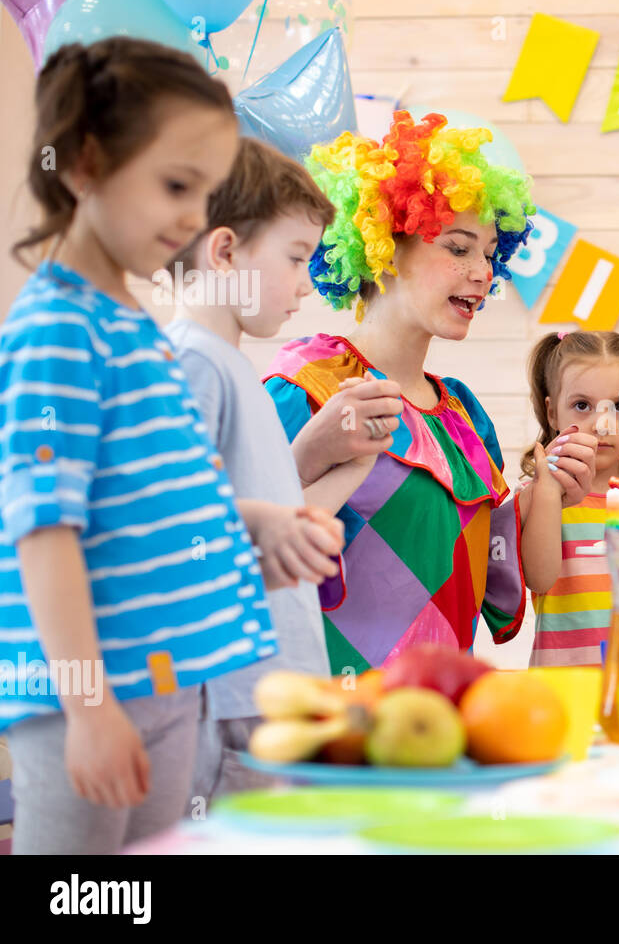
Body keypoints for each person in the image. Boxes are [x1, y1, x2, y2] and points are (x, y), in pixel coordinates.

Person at [0, 39, 340, 853]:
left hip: (170, 683)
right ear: (85, 164)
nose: (194, 218)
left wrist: (257, 523)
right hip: (89, 691)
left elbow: (158, 504)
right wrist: (87, 709)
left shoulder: (136, 331)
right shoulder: (57, 329)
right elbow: (44, 533)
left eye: (206, 189)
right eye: (176, 186)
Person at [264, 111, 597, 672]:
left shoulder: (464, 415)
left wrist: (547, 494)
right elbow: (240, 555)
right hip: (329, 719)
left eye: (490, 253)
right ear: (384, 248)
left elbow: (491, 574)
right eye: (459, 247)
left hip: (437, 720)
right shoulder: (309, 388)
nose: (483, 272)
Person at [165, 138, 396, 799]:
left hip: (271, 688)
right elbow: (178, 526)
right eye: (295, 258)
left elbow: (274, 520)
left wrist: (356, 460)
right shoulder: (194, 365)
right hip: (230, 693)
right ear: (226, 251)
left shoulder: (234, 367)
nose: (304, 284)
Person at [520, 331, 619, 666]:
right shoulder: (541, 496)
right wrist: (547, 491)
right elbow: (538, 579)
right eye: (582, 406)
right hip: (562, 688)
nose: (601, 425)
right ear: (552, 412)